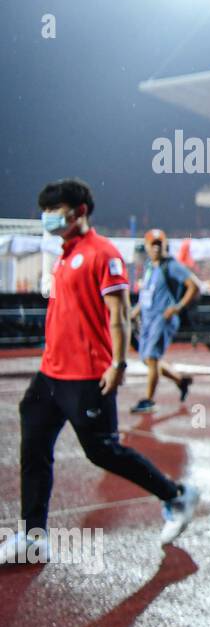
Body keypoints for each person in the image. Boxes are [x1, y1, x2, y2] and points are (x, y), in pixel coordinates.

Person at [2, 179, 199, 564]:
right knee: (34, 445)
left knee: (103, 452)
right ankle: (32, 535)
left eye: (55, 210)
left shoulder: (102, 253)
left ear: (80, 211)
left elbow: (119, 314)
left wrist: (118, 363)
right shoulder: (64, 253)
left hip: (87, 375)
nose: (48, 217)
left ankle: (176, 495)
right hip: (50, 373)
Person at [129, 229, 198, 413]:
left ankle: (149, 400)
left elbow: (194, 286)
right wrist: (135, 312)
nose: (157, 247)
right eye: (153, 243)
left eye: (159, 243)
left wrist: (177, 307)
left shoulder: (172, 266)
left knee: (151, 358)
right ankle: (179, 380)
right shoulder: (150, 266)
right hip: (148, 318)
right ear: (147, 246)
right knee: (148, 359)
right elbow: (146, 294)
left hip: (162, 318)